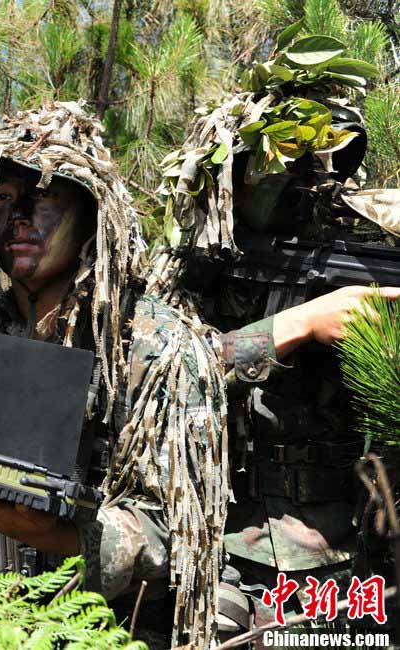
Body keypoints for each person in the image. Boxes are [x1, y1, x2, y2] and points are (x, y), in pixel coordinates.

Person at [0, 100, 231, 648]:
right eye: (1, 199)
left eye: (40, 196)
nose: (16, 216)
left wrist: (56, 532)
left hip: (117, 632)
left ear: (90, 213)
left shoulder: (155, 347)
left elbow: (177, 534)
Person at [151, 31, 400, 642]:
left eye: (330, 155)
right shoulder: (192, 271)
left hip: (349, 554)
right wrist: (301, 323)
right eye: (290, 154)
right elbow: (167, 375)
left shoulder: (367, 248)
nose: (312, 176)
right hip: (223, 553)